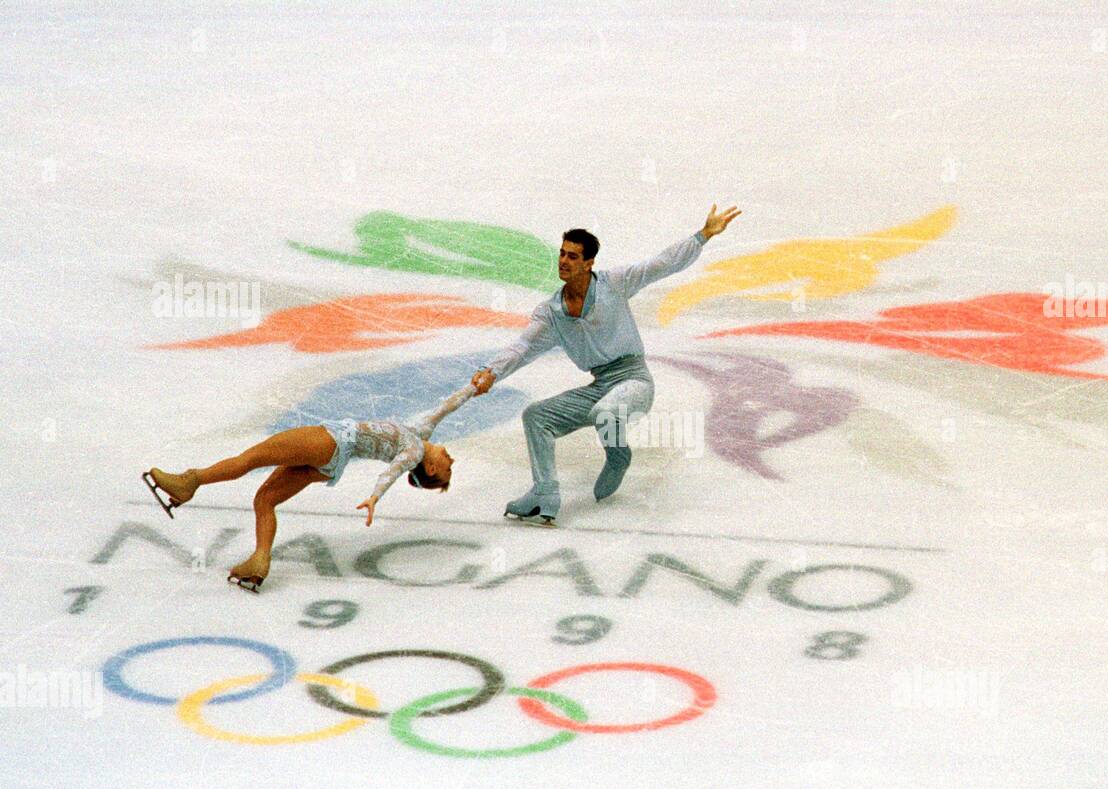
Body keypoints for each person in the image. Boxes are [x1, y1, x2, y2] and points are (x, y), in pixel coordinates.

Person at [471, 204, 742, 523]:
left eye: (573, 256)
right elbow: (524, 346)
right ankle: (544, 492)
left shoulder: (614, 284)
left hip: (635, 381)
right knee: (536, 416)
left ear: (589, 263)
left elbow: (661, 264)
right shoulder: (552, 313)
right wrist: (492, 371)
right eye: (562, 254)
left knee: (606, 412)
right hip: (600, 385)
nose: (563, 261)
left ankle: (618, 455)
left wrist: (703, 235)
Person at [142, 386, 472, 591]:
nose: (452, 460)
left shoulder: (413, 451)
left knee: (251, 458)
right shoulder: (420, 436)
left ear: (430, 468)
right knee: (265, 500)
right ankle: (259, 560)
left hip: (332, 442)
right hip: (329, 465)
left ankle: (190, 482)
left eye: (447, 469)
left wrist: (375, 496)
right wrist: (477, 384)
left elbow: (392, 472)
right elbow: (447, 406)